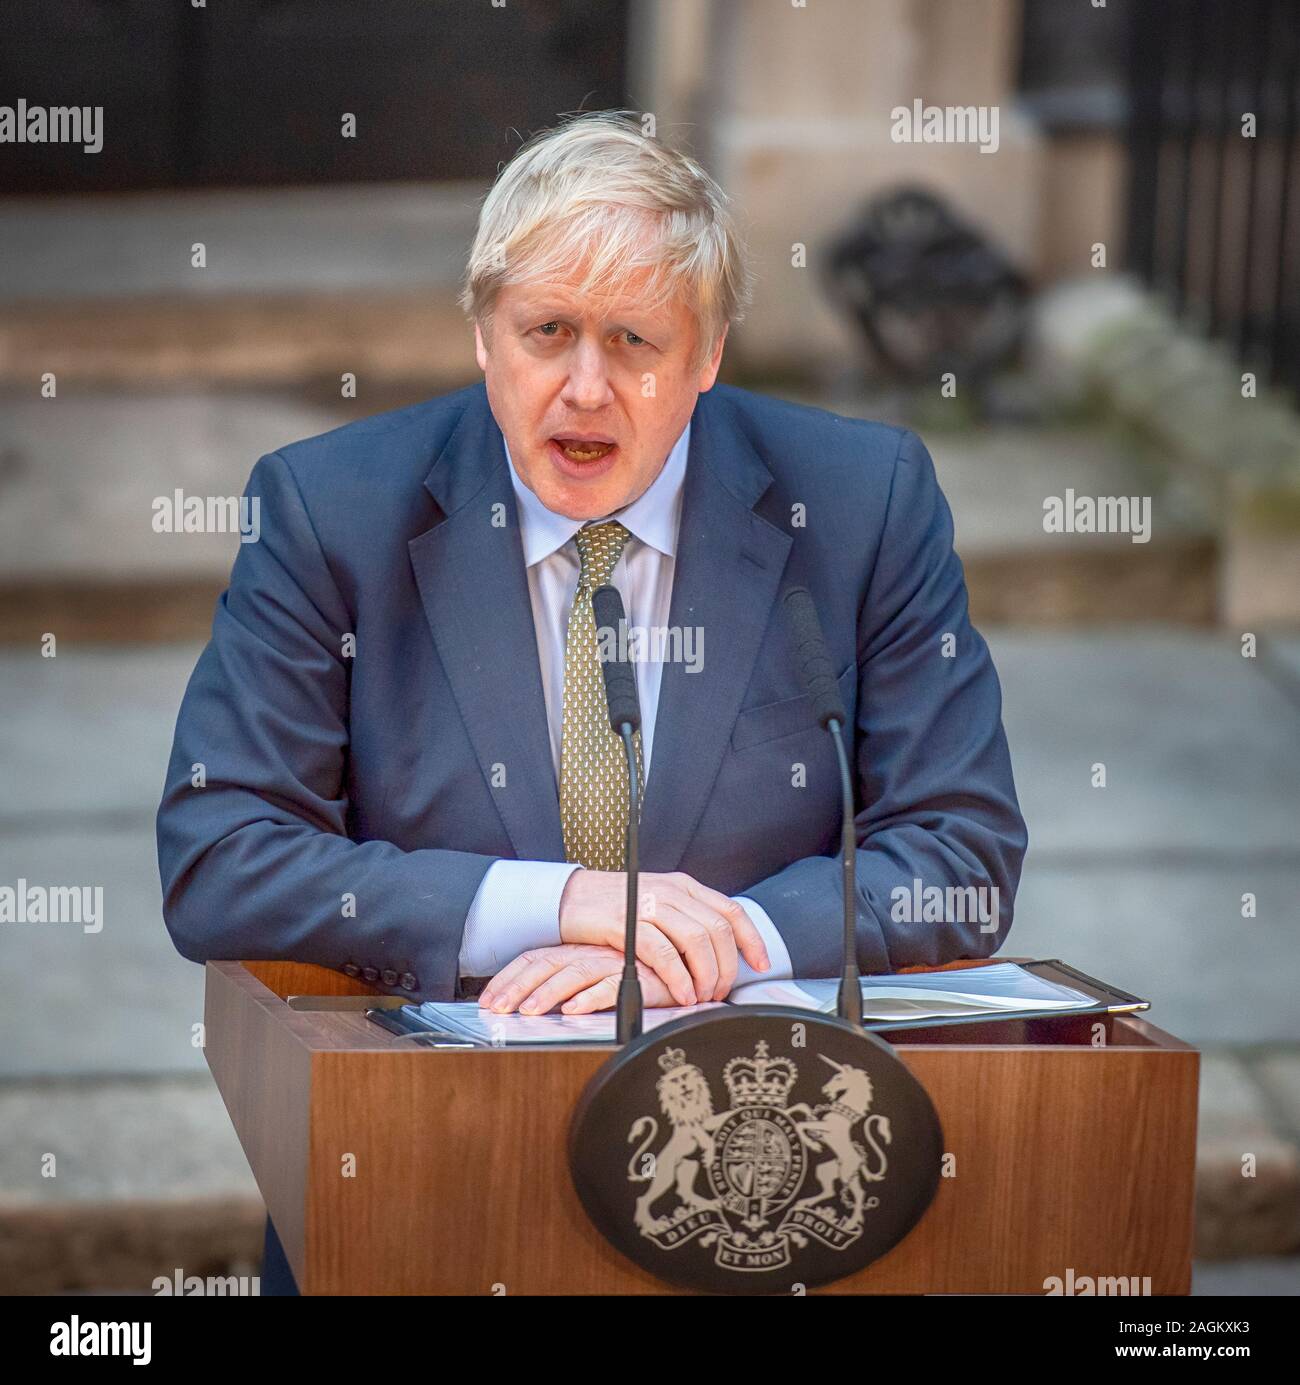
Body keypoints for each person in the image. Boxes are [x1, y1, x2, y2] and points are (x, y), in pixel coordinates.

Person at [156, 111, 1027, 1293]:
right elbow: (220, 855)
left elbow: (959, 846)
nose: (583, 387)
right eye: (547, 331)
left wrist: (728, 942)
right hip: (428, 1177)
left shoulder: (862, 502)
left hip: (749, 1199)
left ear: (710, 352)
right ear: (482, 332)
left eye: (634, 340)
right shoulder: (328, 513)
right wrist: (555, 903)